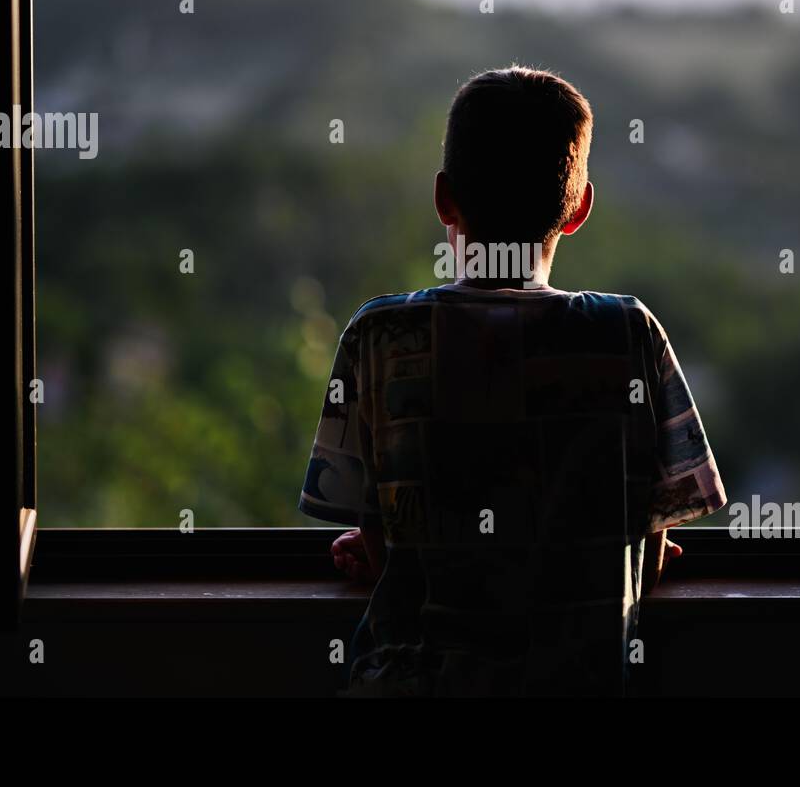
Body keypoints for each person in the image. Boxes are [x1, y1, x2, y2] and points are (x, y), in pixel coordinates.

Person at [298, 66, 726, 696]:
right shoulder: (628, 334)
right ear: (579, 209)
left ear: (444, 196)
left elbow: (383, 541)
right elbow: (649, 548)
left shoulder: (379, 336)